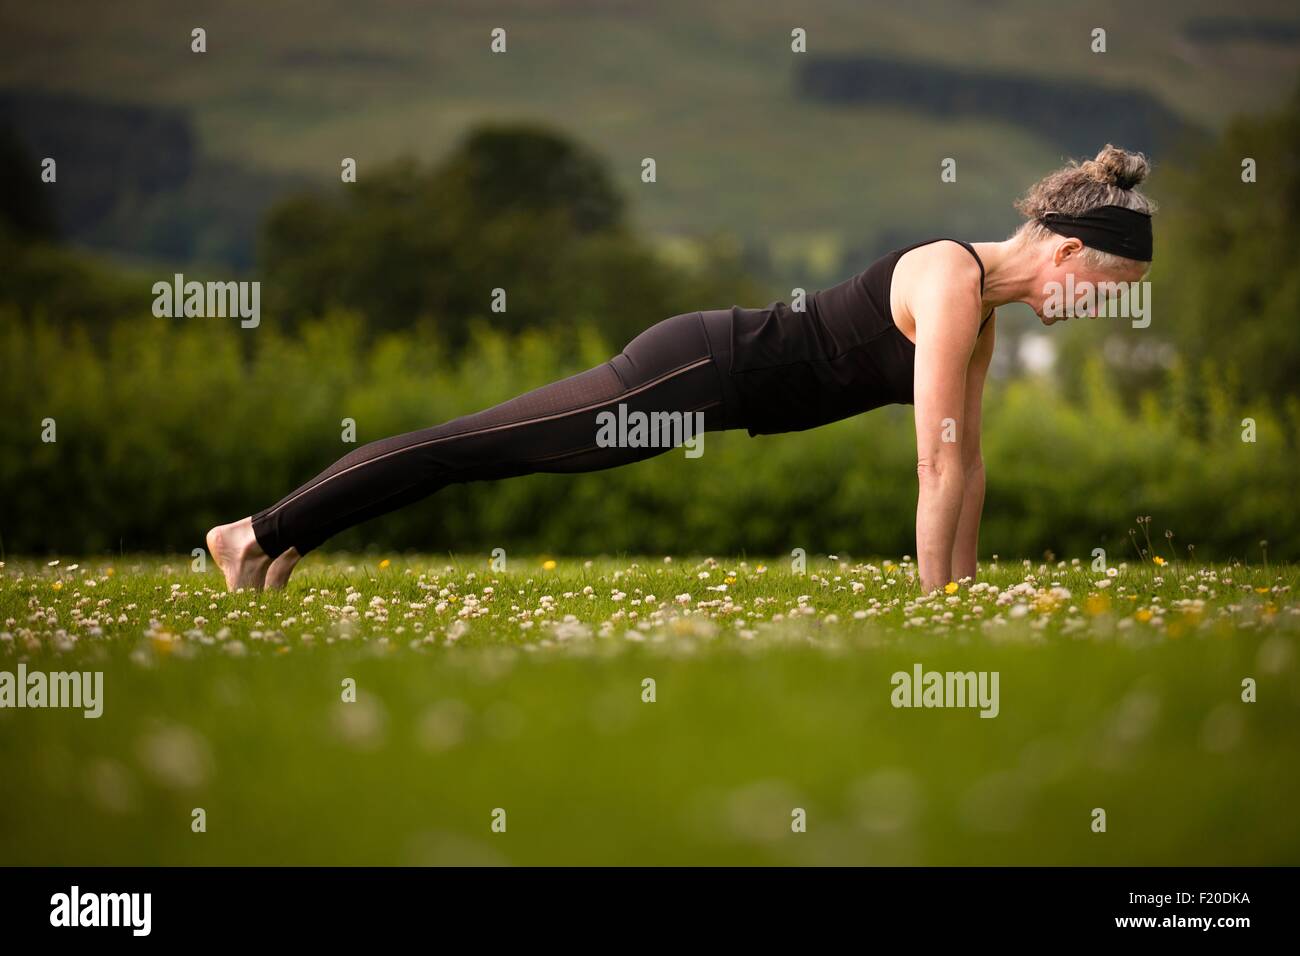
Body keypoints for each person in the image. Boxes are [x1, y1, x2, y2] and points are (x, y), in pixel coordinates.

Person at [207, 144, 1155, 593]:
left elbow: (970, 462)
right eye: (1111, 287)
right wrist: (940, 607)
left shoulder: (981, 307)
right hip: (696, 368)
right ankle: (253, 531)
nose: (1106, 304)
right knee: (481, 445)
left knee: (491, 451)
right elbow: (935, 468)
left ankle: (289, 538)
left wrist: (968, 591)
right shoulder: (951, 282)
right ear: (1070, 252)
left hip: (711, 394)